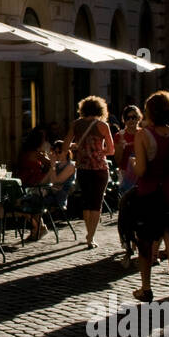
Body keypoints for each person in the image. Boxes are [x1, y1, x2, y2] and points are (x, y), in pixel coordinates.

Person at [130, 91, 169, 303]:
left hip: (150, 195)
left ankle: (146, 287)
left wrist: (134, 164)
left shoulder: (143, 135)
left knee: (145, 243)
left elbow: (142, 170)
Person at [62, 96, 116, 248]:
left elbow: (65, 146)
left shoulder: (76, 125)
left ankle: (88, 233)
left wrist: (77, 147)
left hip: (83, 168)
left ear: (83, 109)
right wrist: (99, 151)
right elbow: (111, 150)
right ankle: (91, 236)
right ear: (101, 109)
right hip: (100, 168)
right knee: (96, 202)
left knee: (86, 201)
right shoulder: (102, 125)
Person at [115, 107, 142, 196]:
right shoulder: (119, 136)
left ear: (139, 118)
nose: (131, 120)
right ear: (124, 120)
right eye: (128, 117)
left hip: (140, 172)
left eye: (134, 117)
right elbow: (117, 160)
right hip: (124, 173)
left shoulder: (144, 133)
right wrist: (121, 146)